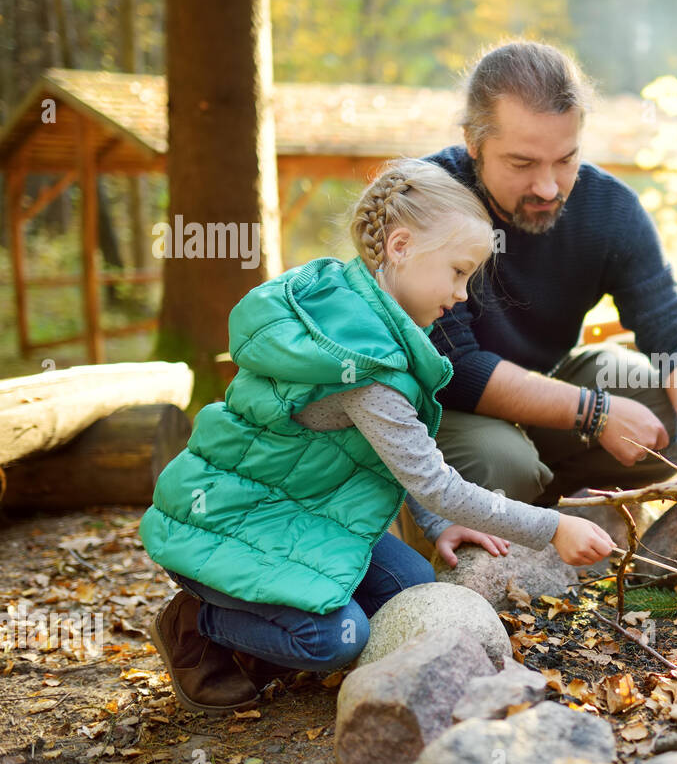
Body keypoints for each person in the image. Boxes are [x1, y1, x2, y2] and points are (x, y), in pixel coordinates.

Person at [138, 158, 615, 715]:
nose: (463, 295)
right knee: (334, 640)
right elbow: (433, 481)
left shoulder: (357, 312)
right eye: (458, 272)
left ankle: (257, 628)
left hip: (297, 507)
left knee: (408, 583)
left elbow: (396, 455)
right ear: (401, 245)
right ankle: (197, 622)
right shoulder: (362, 365)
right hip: (227, 519)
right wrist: (552, 527)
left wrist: (438, 525)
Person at [423, 40, 677, 510]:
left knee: (669, 415)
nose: (548, 186)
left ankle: (555, 502)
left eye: (565, 159)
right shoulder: (426, 200)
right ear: (473, 141)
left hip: (546, 384)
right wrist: (594, 413)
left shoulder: (609, 208)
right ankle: (495, 505)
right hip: (440, 406)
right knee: (503, 463)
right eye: (522, 163)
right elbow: (452, 369)